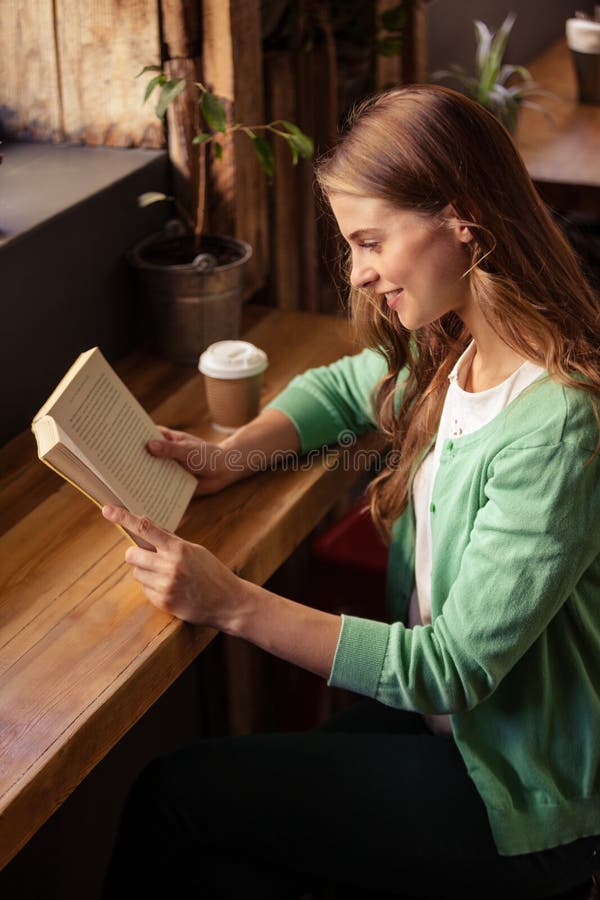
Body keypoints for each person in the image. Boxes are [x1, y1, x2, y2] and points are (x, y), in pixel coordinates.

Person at [101, 85, 600, 899]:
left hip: (522, 788)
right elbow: (341, 389)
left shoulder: (557, 423)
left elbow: (449, 670)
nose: (361, 273)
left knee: (176, 799)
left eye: (371, 241)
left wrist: (230, 602)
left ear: (463, 219)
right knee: (215, 839)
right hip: (452, 729)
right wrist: (229, 455)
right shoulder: (457, 346)